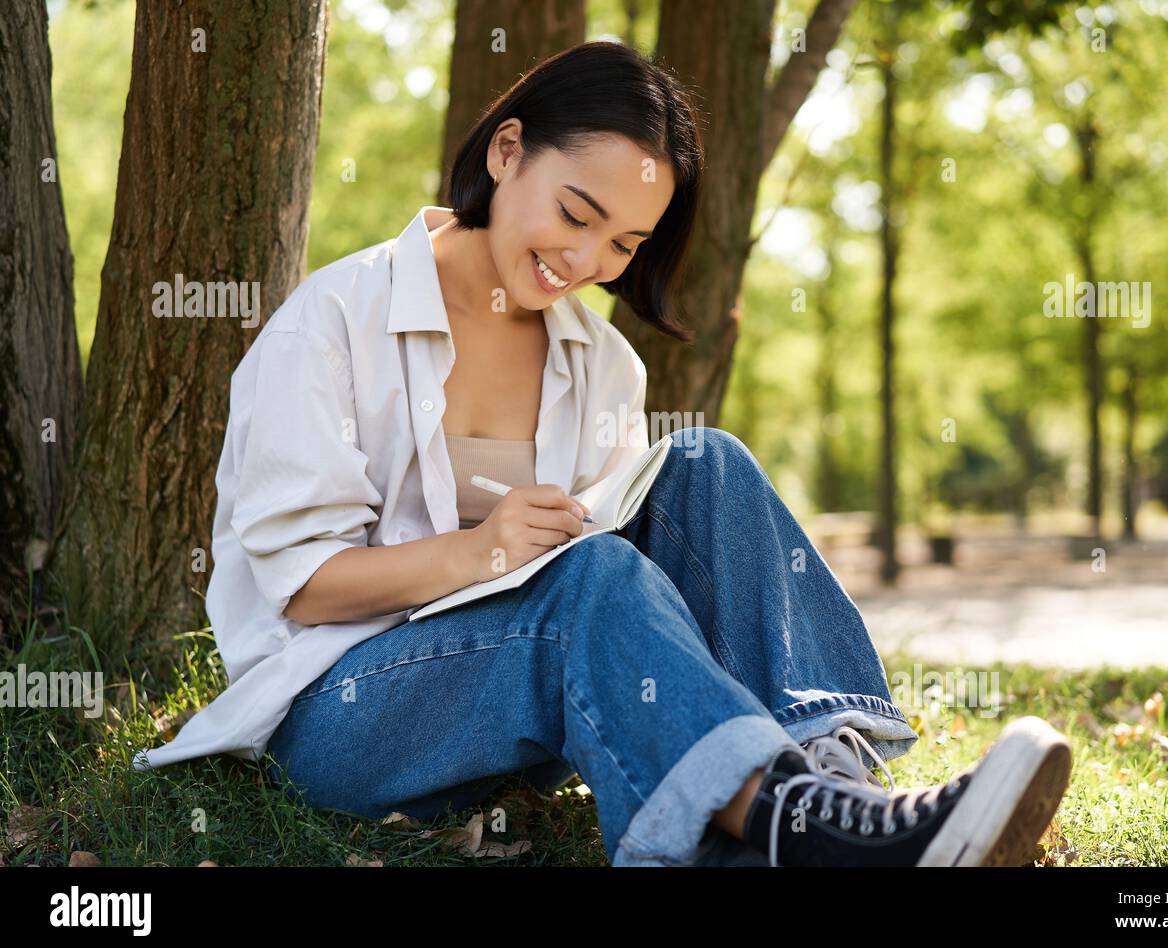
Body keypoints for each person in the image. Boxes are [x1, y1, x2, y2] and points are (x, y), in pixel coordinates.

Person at [132, 40, 1072, 867]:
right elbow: (301, 585)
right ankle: (814, 830)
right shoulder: (334, 323)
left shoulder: (602, 363)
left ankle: (832, 779)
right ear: (507, 152)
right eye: (576, 214)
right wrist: (481, 551)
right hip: (343, 717)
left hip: (523, 714)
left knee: (704, 460)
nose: (585, 262)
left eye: (624, 243)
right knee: (590, 582)